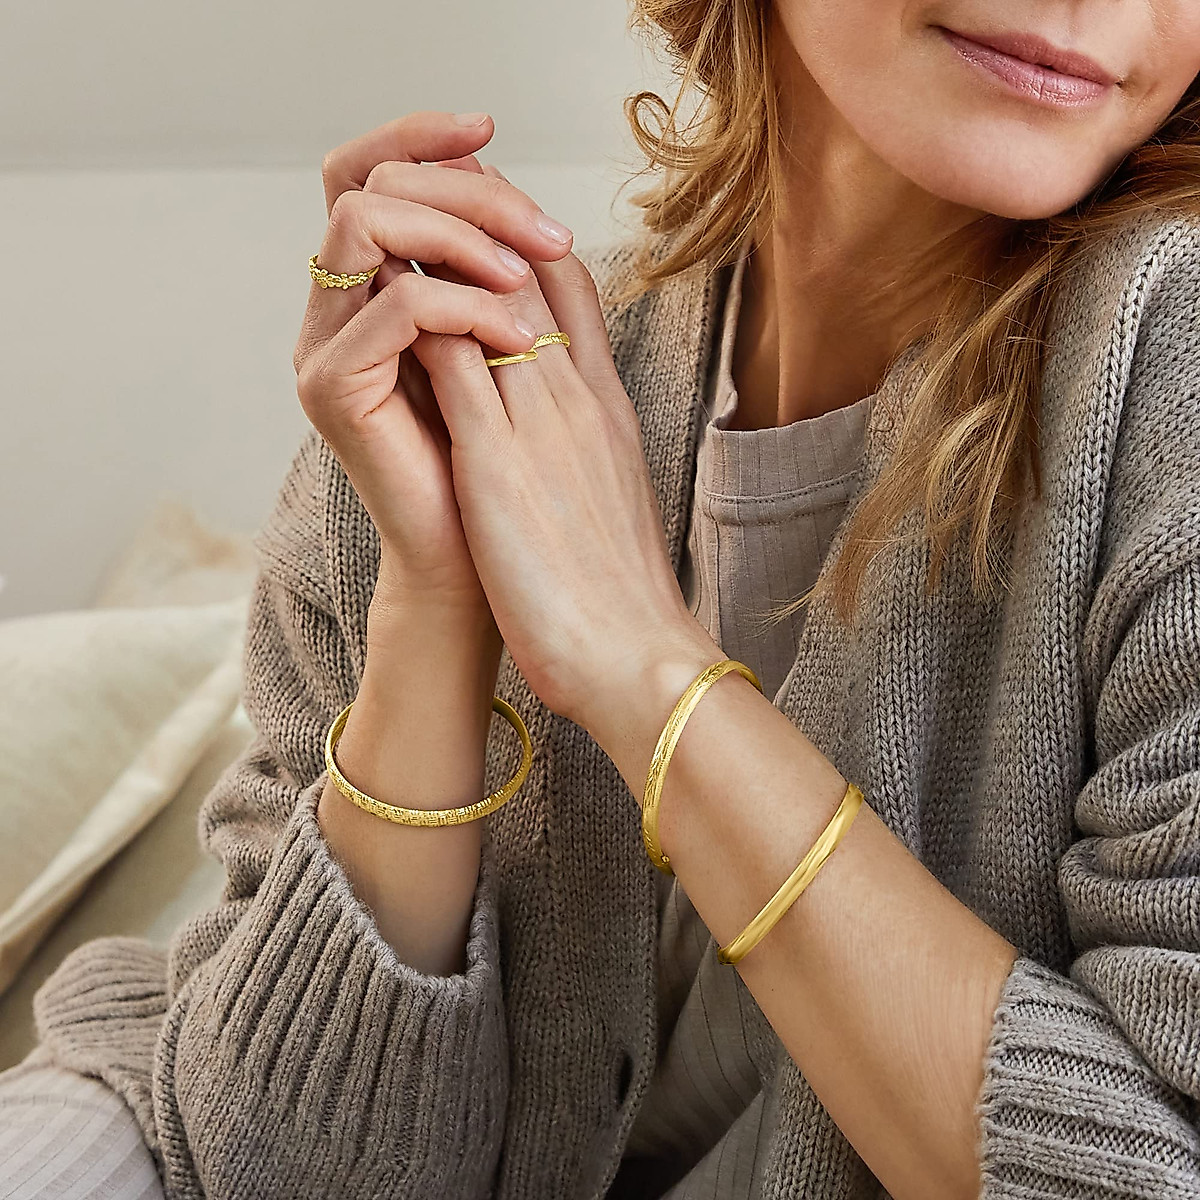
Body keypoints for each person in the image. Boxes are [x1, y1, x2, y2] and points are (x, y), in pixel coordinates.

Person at [3, 2, 1199, 1197]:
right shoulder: (500, 372)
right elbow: (281, 1174)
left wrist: (639, 661)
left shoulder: (1167, 364)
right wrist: (435, 606)